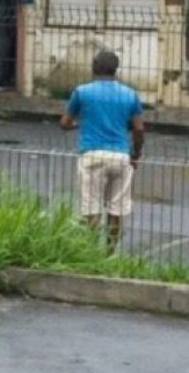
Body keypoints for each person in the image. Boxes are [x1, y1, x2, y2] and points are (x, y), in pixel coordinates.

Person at [61, 48, 145, 252]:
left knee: (91, 208)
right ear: (116, 70)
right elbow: (139, 129)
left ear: (93, 68)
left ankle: (89, 253)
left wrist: (77, 125)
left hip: (91, 153)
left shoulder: (82, 92)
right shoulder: (130, 94)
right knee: (116, 210)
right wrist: (135, 155)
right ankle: (110, 253)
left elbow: (64, 123)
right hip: (120, 154)